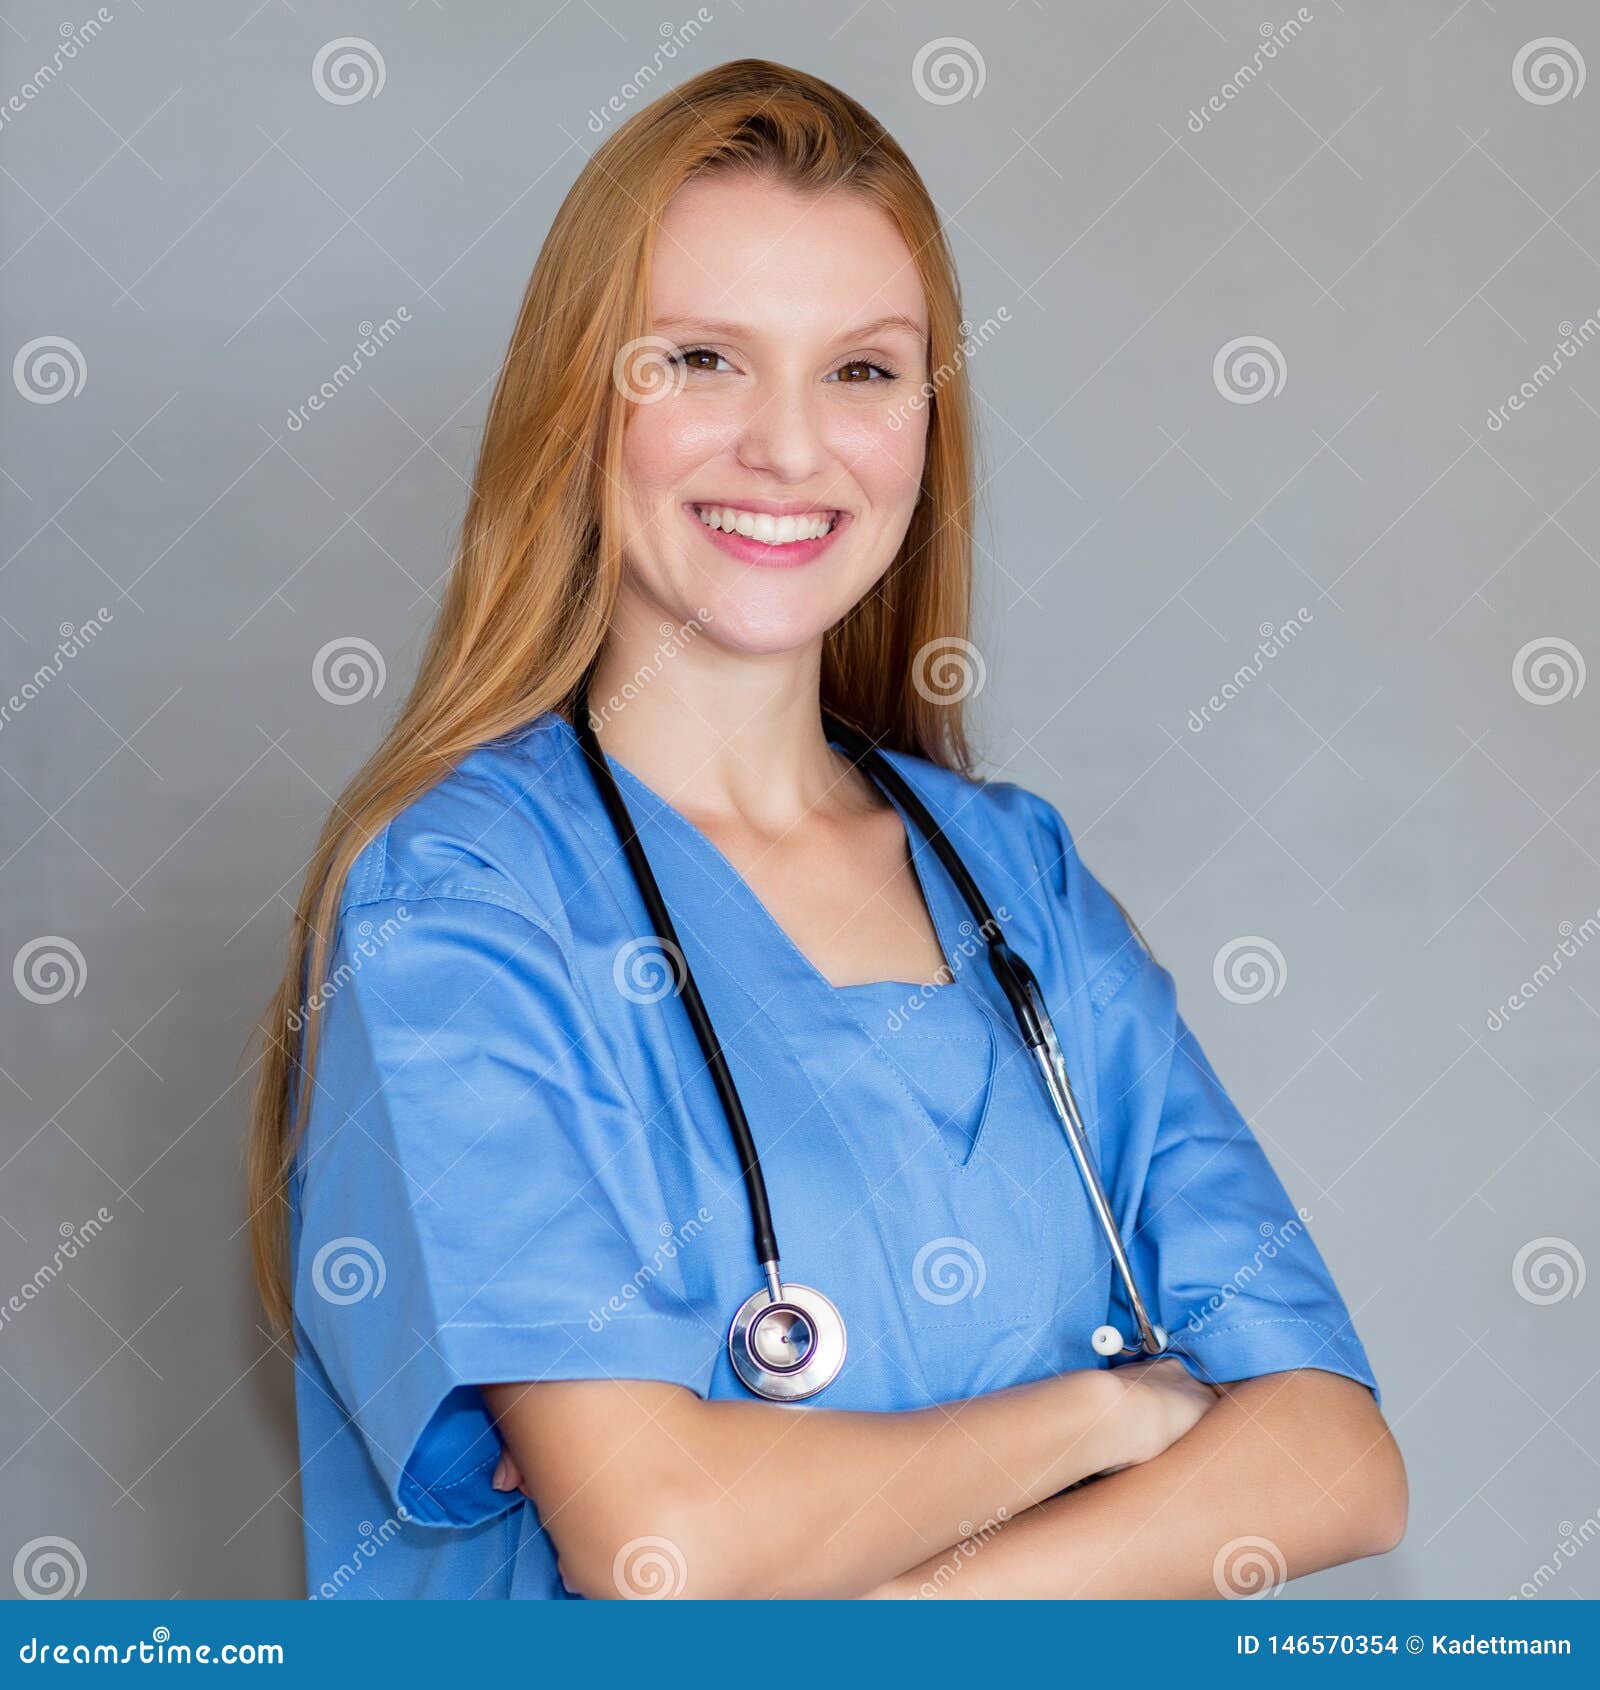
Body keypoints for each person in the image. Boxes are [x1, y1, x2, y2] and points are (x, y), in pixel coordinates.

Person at [247, 58, 1406, 1601]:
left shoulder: (1019, 881)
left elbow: (1336, 1459)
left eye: (862, 371)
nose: (790, 448)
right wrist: (1111, 1411)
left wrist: (880, 1617)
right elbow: (664, 1542)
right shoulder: (461, 898)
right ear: (578, 400)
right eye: (705, 359)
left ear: (930, 420)